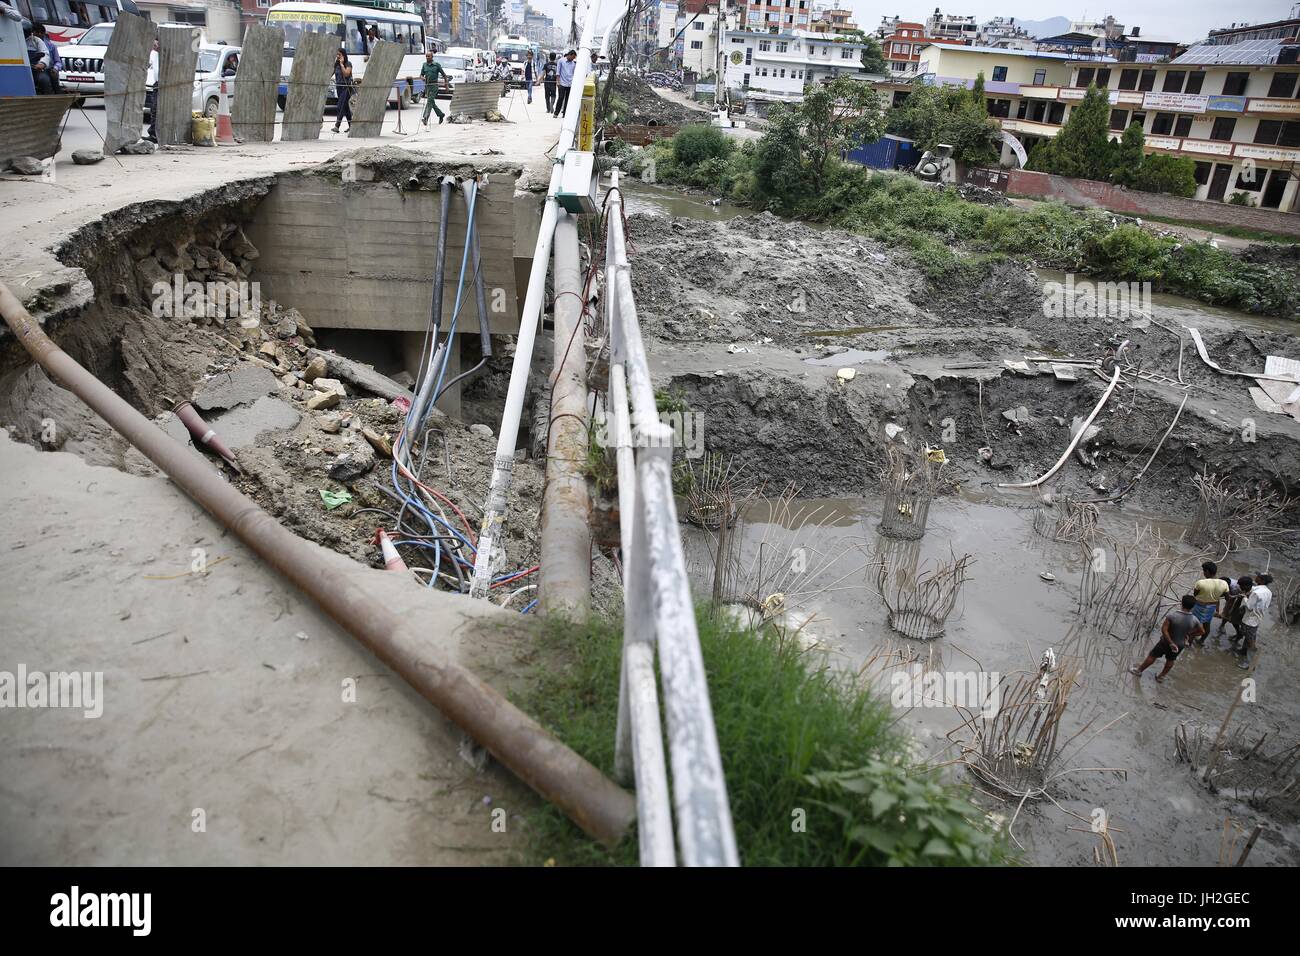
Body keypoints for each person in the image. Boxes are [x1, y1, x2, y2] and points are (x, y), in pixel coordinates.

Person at [1131, 595, 1204, 682]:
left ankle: (1139, 670)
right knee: (1171, 660)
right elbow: (1202, 631)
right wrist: (1189, 634)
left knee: (1153, 655)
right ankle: (1161, 677)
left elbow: (1164, 630)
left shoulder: (1172, 615)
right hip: (1179, 644)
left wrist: (1170, 642)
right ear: (1193, 607)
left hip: (1165, 642)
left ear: (1181, 603)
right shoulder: (1194, 619)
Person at [1238, 573, 1272, 670]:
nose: (1255, 577)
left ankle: (1250, 663)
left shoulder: (1256, 593)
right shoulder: (1268, 591)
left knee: (1250, 641)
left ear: (1261, 580)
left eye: (1258, 576)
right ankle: (1243, 651)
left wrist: (1244, 597)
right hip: (1257, 618)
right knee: (1250, 636)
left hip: (1250, 619)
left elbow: (1249, 607)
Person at [1190, 560, 1228, 635]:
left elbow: (1195, 595)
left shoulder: (1200, 583)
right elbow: (1227, 597)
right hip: (1211, 607)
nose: (1203, 573)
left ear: (1207, 571)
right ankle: (1201, 641)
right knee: (1207, 624)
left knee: (1194, 625)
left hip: (1199, 606)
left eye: (1204, 571)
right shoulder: (1224, 583)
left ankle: (1190, 641)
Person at [420, 51, 450, 126]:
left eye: (428, 56)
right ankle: (441, 114)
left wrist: (446, 85)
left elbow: (444, 75)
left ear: (432, 57)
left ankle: (425, 118)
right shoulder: (424, 65)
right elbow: (421, 75)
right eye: (426, 56)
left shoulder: (436, 65)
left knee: (429, 101)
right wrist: (423, 78)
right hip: (427, 86)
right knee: (431, 102)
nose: (427, 58)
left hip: (434, 85)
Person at [24, 22, 53, 94]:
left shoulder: (36, 40)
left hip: (34, 69)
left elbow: (45, 53)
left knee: (44, 80)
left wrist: (42, 63)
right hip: (19, 69)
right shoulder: (14, 40)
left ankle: (46, 100)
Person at [33, 23, 61, 93]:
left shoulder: (51, 46)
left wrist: (55, 69)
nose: (39, 34)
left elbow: (58, 62)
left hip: (48, 69)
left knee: (50, 79)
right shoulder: (30, 44)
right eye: (37, 32)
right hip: (35, 69)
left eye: (41, 32)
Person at [332, 48, 354, 133]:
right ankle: (351, 126)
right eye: (337, 55)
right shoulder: (336, 65)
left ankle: (337, 126)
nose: (338, 56)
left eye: (339, 55)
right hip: (339, 88)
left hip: (346, 87)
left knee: (340, 106)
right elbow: (331, 73)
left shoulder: (348, 64)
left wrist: (341, 64)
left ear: (343, 55)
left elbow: (346, 74)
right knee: (346, 108)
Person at [553, 49, 577, 117]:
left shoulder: (573, 64)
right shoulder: (561, 61)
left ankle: (565, 114)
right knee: (560, 97)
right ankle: (556, 113)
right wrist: (558, 82)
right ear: (570, 55)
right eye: (573, 57)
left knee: (568, 99)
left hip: (570, 83)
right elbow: (558, 72)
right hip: (562, 83)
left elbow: (573, 74)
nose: (573, 59)